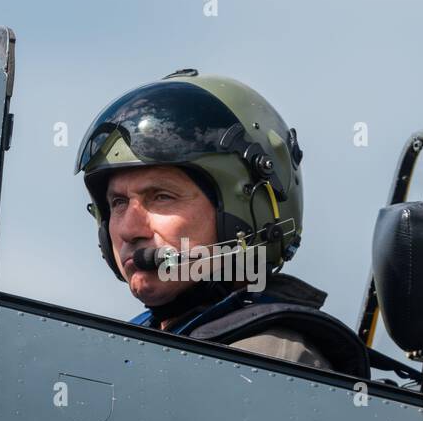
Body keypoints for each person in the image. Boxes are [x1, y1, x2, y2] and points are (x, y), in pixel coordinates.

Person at [75, 69, 370, 379]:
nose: (128, 230)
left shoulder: (267, 362)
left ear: (246, 210)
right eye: (118, 203)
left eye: (161, 197)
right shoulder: (126, 350)